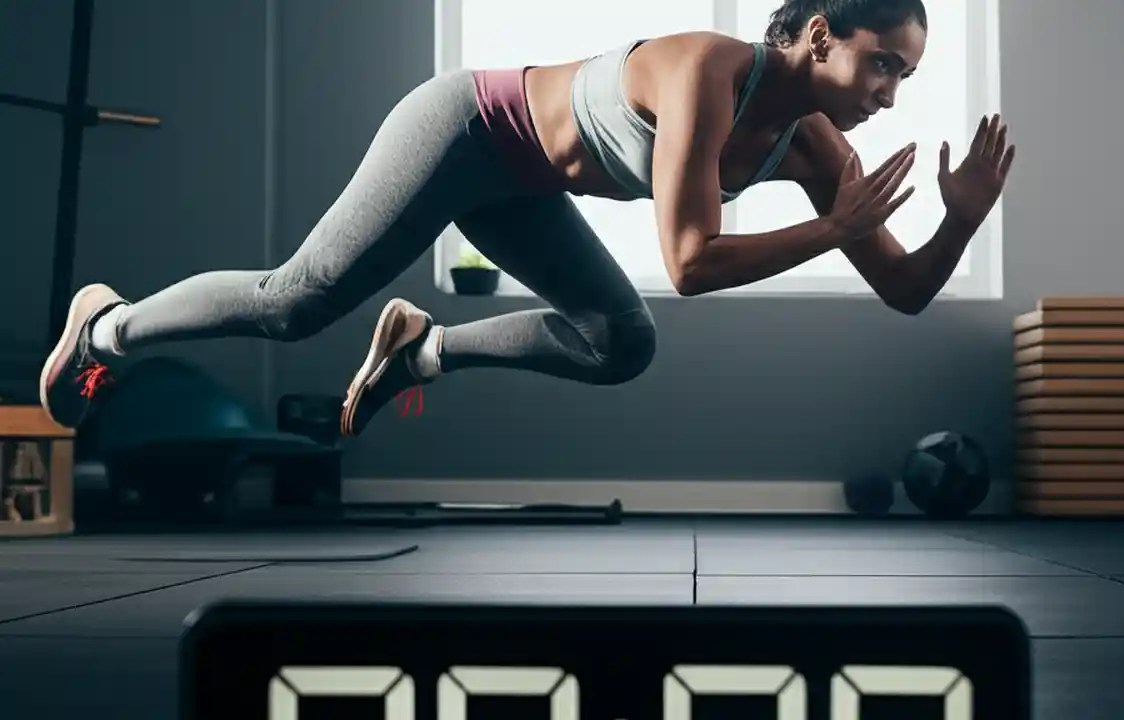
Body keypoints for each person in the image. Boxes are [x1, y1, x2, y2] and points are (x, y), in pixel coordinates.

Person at [39, 0, 1015, 437]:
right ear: (815, 36)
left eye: (906, 74)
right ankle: (109, 324)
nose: (889, 92)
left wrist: (959, 223)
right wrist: (831, 231)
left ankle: (420, 353)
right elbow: (688, 261)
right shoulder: (706, 71)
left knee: (618, 343)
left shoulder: (816, 154)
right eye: (880, 61)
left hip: (525, 189)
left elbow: (902, 291)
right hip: (465, 129)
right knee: (295, 303)